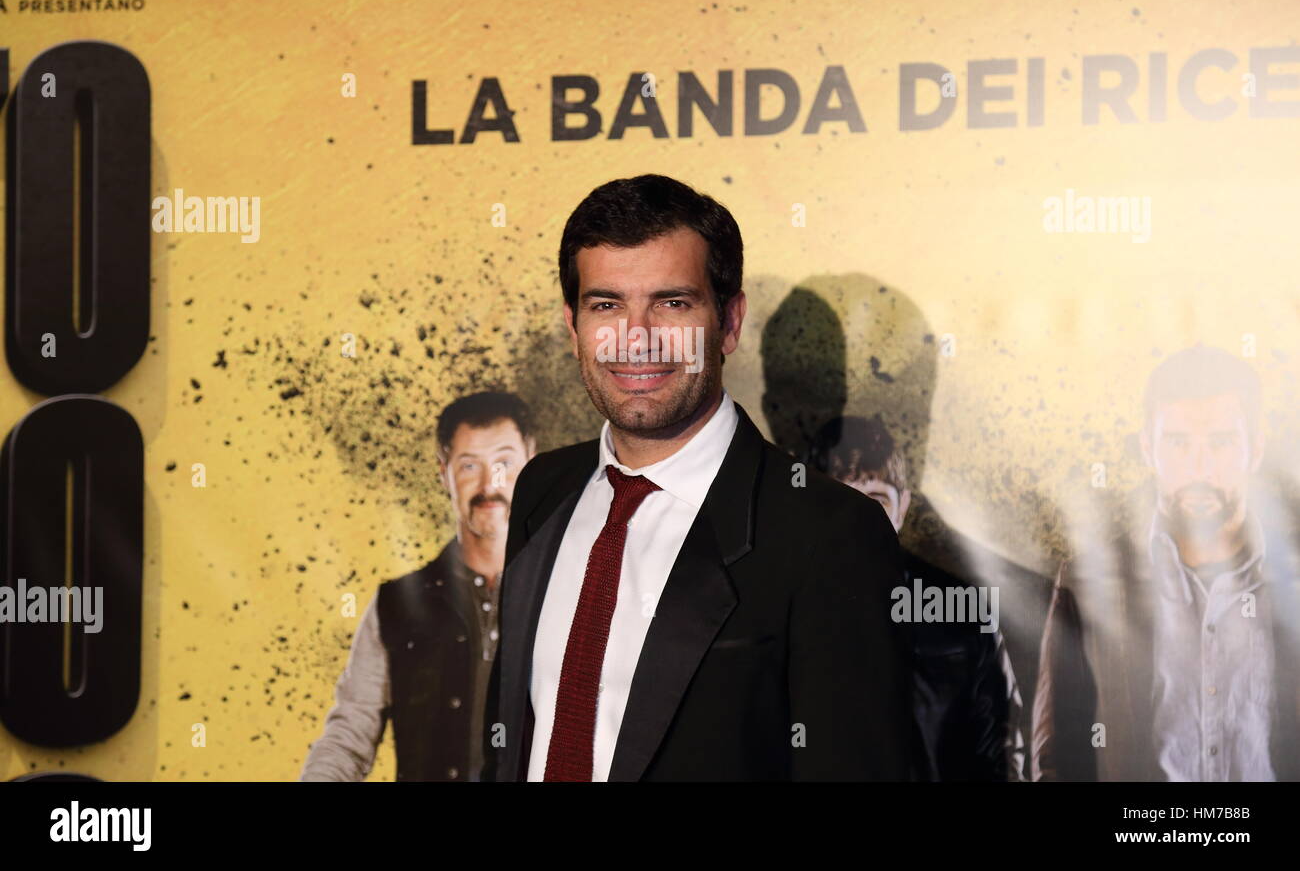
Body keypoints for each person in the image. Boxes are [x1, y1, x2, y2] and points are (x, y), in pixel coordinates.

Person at [483, 174, 910, 782]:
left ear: (730, 322)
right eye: (606, 305)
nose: (637, 337)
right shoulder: (541, 491)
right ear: (573, 326)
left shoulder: (829, 533)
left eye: (672, 303)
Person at [1032, 344, 1300, 780]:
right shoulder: (1090, 579)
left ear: (1255, 449)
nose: (1199, 466)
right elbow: (1056, 755)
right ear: (1147, 448)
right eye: (1177, 443)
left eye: (1221, 442)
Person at [300, 391, 535, 781]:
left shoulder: (570, 587)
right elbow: (349, 736)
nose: (488, 484)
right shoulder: (396, 605)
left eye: (505, 463)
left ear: (532, 461)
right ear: (443, 473)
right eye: (468, 466)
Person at [808, 414, 1025, 781]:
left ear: (902, 508)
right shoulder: (770, 609)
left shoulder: (963, 613)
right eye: (840, 500)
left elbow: (1002, 756)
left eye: (875, 501)